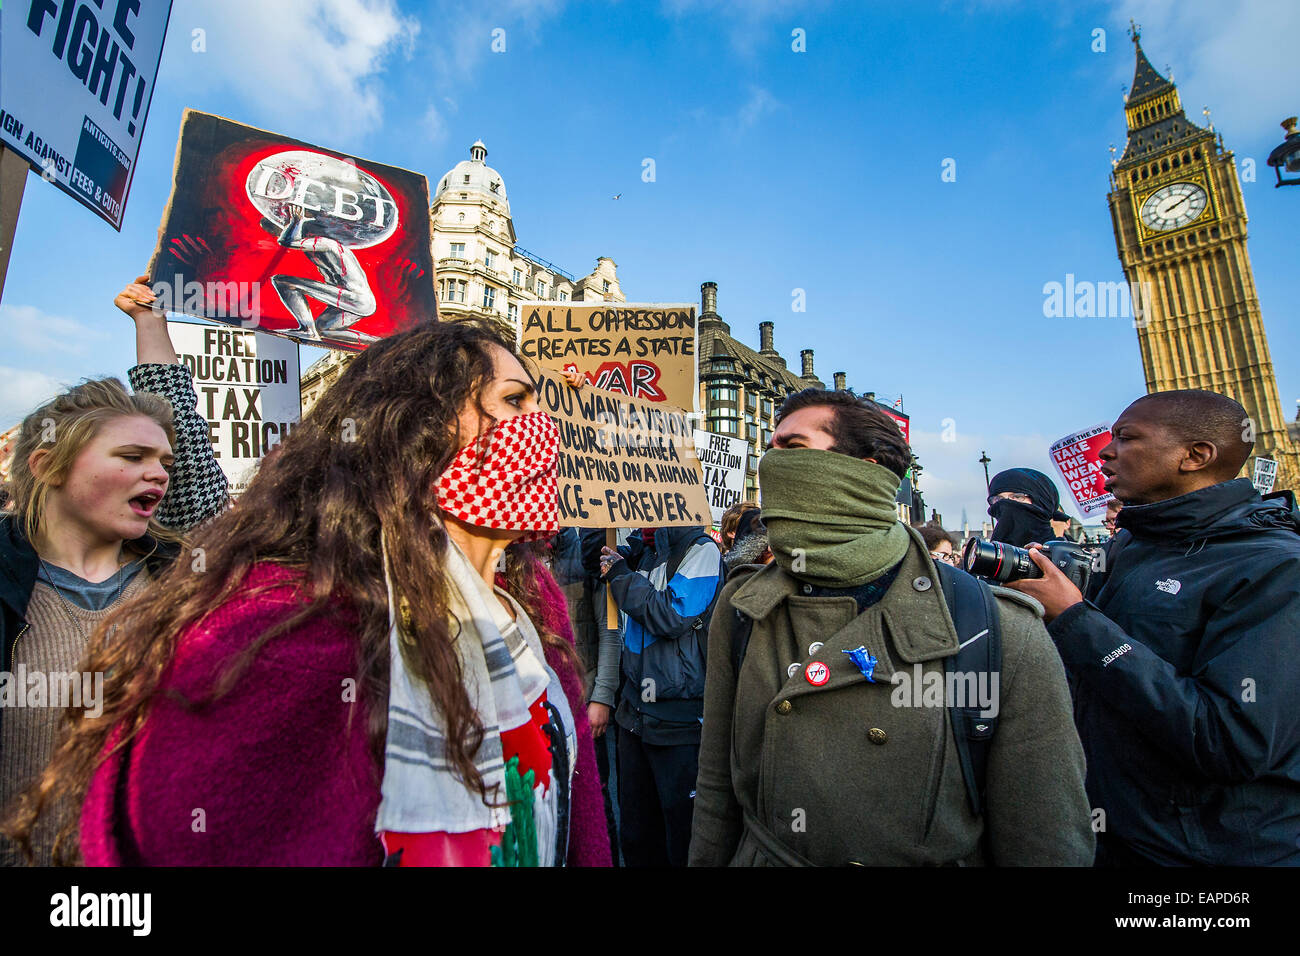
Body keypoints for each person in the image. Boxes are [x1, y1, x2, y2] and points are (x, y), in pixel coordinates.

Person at [2, 319, 609, 867]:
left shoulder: (533, 607)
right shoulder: (294, 622)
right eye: (514, 401)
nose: (541, 429)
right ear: (416, 428)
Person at [689, 388, 1094, 866]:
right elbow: (716, 788)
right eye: (770, 448)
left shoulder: (997, 629)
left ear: (869, 467)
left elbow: (1045, 839)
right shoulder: (742, 607)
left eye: (792, 449)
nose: (769, 465)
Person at [1006, 389, 1300, 866]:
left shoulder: (1275, 568)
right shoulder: (1134, 549)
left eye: (1125, 438)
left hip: (1210, 855)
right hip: (1111, 835)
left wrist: (1077, 620)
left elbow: (1232, 742)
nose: (1104, 451)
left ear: (1196, 455)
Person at [0, 276, 229, 866]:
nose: (158, 474)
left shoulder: (180, 577)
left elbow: (192, 455)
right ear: (48, 465)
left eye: (164, 463)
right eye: (131, 458)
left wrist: (151, 324)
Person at [594, 523, 723, 867]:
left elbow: (671, 615)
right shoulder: (644, 548)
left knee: (680, 835)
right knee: (637, 834)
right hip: (634, 715)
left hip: (679, 721)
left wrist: (620, 575)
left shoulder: (702, 550)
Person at [551, 525, 623, 862]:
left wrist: (602, 697)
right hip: (542, 707)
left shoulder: (588, 556)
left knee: (594, 799)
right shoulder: (515, 556)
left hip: (584, 705)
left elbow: (610, 631)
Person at [986, 467, 1060, 547]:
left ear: (1042, 502)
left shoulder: (1063, 555)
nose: (1006, 503)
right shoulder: (989, 555)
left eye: (1018, 497)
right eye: (998, 499)